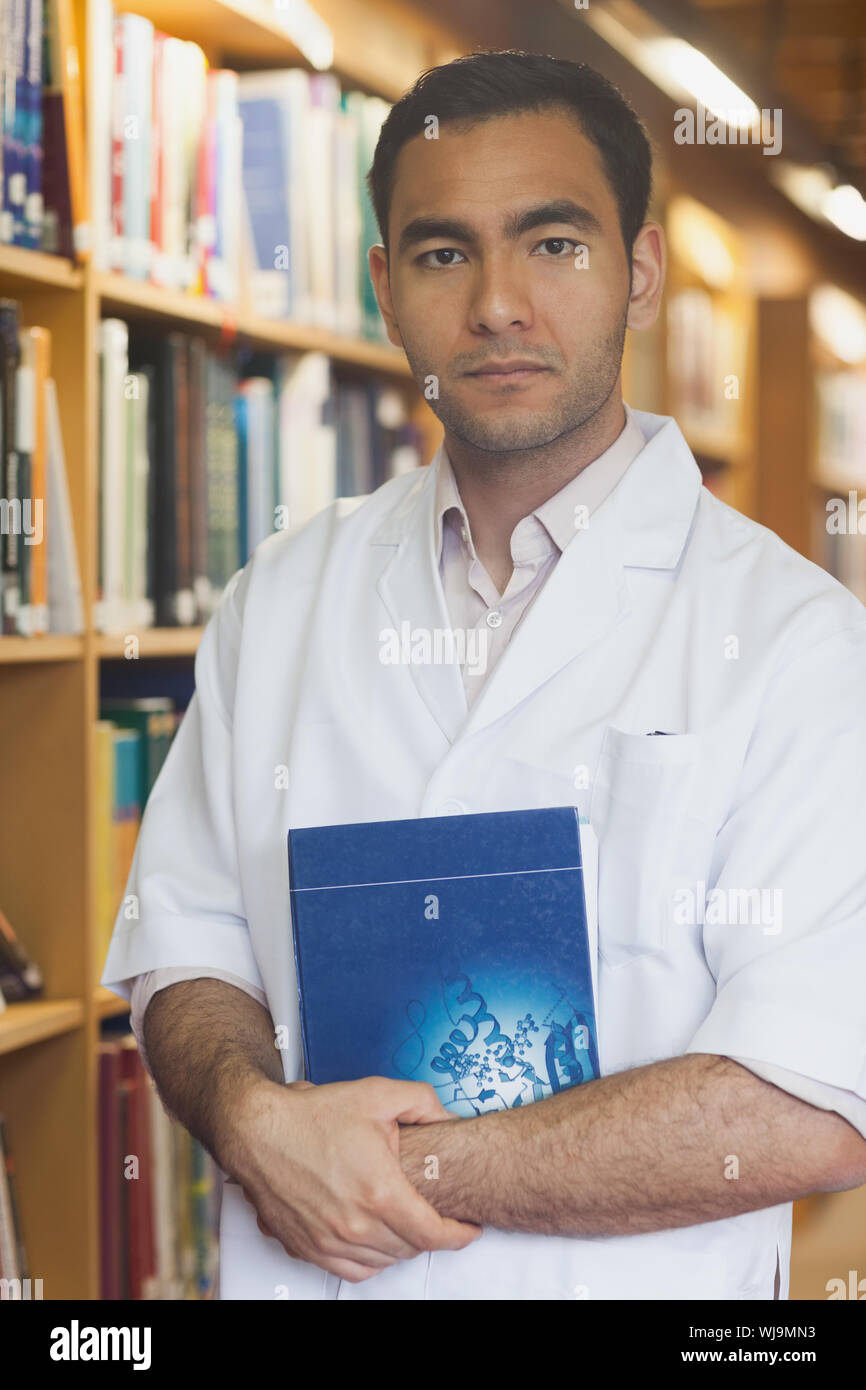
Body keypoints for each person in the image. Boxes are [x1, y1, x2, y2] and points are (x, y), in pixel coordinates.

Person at [102, 50, 866, 1301]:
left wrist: (395, 1173)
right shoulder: (279, 602)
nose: (498, 304)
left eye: (553, 244)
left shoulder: (793, 641)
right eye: (442, 252)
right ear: (383, 290)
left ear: (641, 272)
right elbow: (184, 950)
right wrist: (245, 1114)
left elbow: (811, 1098)